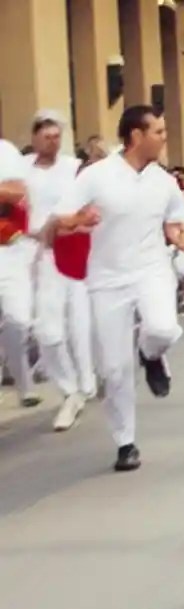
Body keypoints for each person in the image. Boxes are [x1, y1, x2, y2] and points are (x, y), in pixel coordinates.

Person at [52, 104, 184, 471]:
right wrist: (78, 219)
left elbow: (179, 222)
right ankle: (125, 442)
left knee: (163, 329)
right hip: (106, 280)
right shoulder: (96, 176)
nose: (165, 139)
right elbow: (61, 220)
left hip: (151, 271)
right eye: (159, 132)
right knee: (114, 369)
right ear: (137, 136)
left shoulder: (164, 181)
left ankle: (150, 354)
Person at [27, 111, 95, 430]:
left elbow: (89, 208)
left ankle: (84, 383)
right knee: (46, 330)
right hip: (35, 255)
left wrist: (64, 226)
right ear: (34, 138)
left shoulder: (73, 168)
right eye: (46, 136)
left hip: (72, 251)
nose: (52, 141)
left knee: (79, 323)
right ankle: (70, 388)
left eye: (57, 136)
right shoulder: (22, 170)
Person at [0, 136, 38, 408]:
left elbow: (18, 192)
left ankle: (23, 381)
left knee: (18, 320)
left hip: (7, 248)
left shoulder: (5, 151)